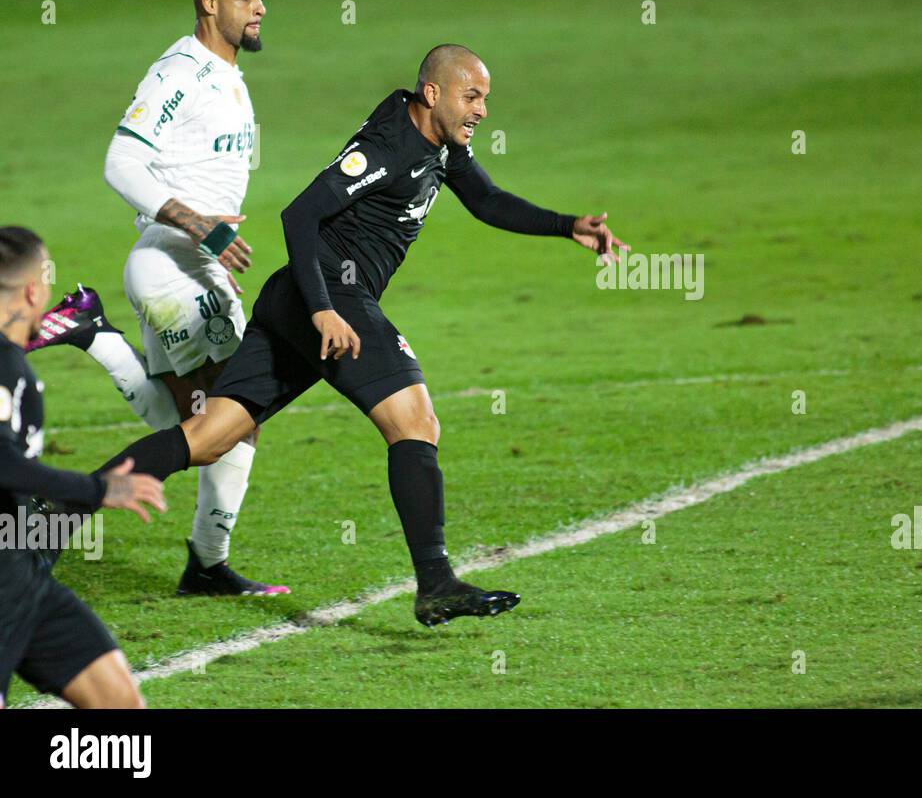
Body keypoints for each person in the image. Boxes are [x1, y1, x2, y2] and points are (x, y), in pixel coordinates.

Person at [94, 44, 628, 627]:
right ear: (434, 94)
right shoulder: (390, 146)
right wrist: (323, 310)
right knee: (415, 423)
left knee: (209, 437)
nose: (481, 110)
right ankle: (437, 583)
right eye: (471, 96)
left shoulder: (443, 146)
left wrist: (566, 226)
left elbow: (488, 201)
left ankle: (57, 505)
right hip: (324, 297)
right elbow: (298, 215)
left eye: (485, 99)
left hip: (298, 301)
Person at [26, 0, 286, 596]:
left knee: (206, 423)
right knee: (227, 419)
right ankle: (81, 525)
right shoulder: (180, 71)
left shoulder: (230, 78)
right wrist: (206, 229)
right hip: (174, 264)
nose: (260, 6)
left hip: (190, 267)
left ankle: (93, 333)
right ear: (209, 3)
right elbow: (120, 163)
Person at [0, 226, 166, 708]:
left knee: (121, 705)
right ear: (34, 290)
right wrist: (97, 489)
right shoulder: (4, 365)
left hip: (24, 580)